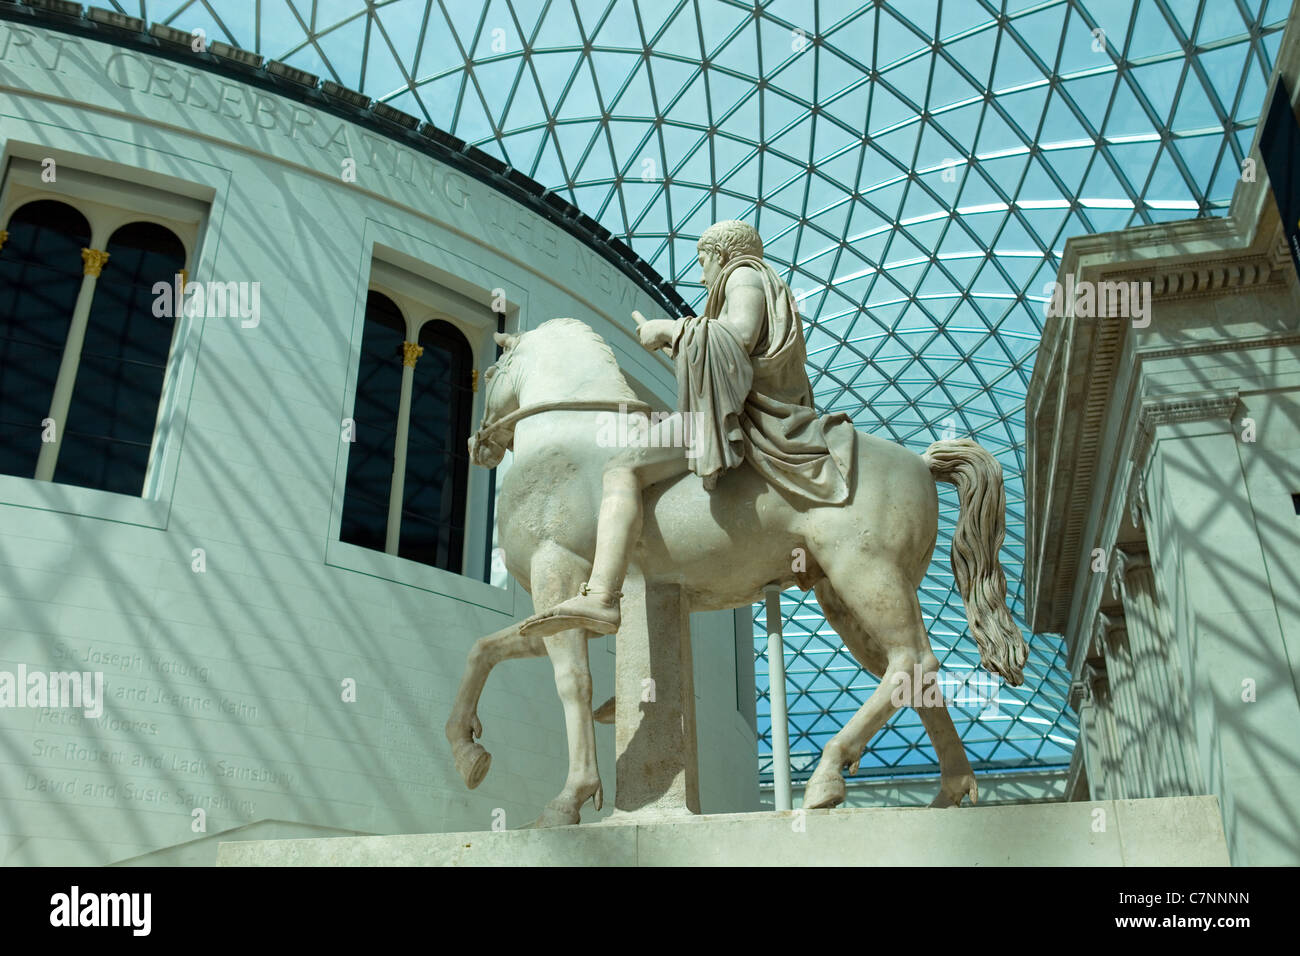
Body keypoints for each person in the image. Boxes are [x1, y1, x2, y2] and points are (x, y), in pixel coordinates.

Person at [519, 219, 855, 638]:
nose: (700, 275)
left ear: (720, 255)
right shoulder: (765, 285)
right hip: (755, 409)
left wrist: (671, 329)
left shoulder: (744, 275)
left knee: (622, 467)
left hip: (749, 417)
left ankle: (603, 596)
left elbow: (740, 336)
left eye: (702, 261)